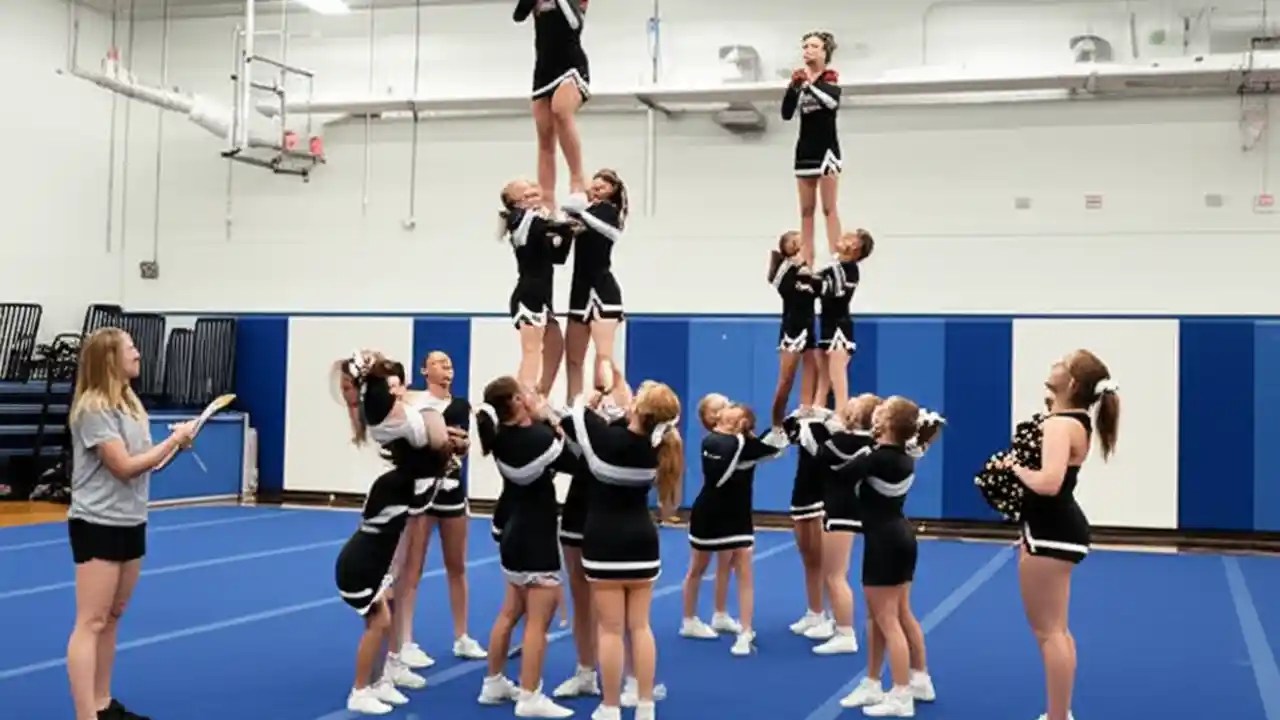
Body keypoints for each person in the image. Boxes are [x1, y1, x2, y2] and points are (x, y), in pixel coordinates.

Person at [65, 327, 197, 720]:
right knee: (90, 620)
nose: (139, 354)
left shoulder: (129, 405)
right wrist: (171, 443)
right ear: (110, 359)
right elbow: (122, 467)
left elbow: (147, 466)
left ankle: (104, 704)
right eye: (131, 348)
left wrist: (176, 446)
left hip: (131, 519)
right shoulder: (93, 409)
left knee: (114, 614)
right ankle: (85, 714)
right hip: (98, 522)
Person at [331, 352, 458, 715]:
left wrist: (443, 443)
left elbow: (430, 450)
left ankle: (377, 680)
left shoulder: (398, 479)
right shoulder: (399, 481)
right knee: (380, 622)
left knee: (383, 620)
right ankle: (360, 689)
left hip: (366, 559)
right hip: (359, 565)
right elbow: (429, 448)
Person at [1002, 349, 1119, 720]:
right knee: (1057, 631)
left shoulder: (1058, 425)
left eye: (1062, 363)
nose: (1052, 363)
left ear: (1071, 382)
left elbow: (1049, 483)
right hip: (1053, 530)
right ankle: (1060, 713)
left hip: (1052, 532)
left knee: (1049, 633)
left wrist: (1014, 468)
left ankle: (1057, 715)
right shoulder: (1075, 419)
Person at [557, 381, 682, 720]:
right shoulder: (658, 449)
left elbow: (574, 414)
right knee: (640, 627)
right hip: (643, 541)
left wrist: (593, 394)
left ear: (639, 410)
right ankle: (645, 704)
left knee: (610, 629)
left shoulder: (610, 441)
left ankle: (610, 706)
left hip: (605, 542)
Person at [474, 376, 578, 717]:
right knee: (537, 622)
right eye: (527, 393)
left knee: (509, 612)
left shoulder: (500, 438)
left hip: (511, 532)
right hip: (537, 533)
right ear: (517, 401)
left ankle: (494, 682)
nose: (534, 396)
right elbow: (579, 461)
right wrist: (551, 416)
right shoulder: (539, 438)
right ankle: (530, 695)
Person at [837, 397, 943, 717]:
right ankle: (910, 679)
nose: (875, 413)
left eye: (880, 412)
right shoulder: (904, 455)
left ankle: (900, 693)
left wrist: (839, 429)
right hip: (900, 537)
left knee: (886, 619)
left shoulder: (877, 458)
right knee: (895, 613)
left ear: (886, 424)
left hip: (884, 541)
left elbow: (839, 472)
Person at [387, 350, 487, 673]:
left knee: (457, 566)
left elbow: (465, 444)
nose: (446, 368)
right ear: (424, 370)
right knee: (411, 569)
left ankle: (462, 635)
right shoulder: (415, 405)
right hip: (422, 494)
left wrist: (457, 442)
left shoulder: (461, 407)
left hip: (453, 492)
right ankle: (405, 640)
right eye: (439, 363)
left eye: (449, 363)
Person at [680, 399, 785, 656]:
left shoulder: (742, 444)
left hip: (738, 516)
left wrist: (781, 428)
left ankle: (743, 628)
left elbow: (774, 449)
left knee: (742, 569)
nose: (724, 411)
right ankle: (689, 619)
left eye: (728, 408)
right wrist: (748, 439)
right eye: (719, 410)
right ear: (712, 418)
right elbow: (722, 470)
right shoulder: (714, 442)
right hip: (708, 515)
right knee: (697, 568)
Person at [785, 394, 880, 655]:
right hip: (841, 510)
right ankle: (836, 624)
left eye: (856, 402)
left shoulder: (846, 442)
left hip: (842, 512)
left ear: (856, 417)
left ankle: (845, 632)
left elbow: (818, 450)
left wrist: (807, 421)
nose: (849, 401)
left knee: (836, 576)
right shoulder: (863, 441)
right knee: (832, 573)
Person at [499, 178, 575, 395]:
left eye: (536, 193)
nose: (535, 199)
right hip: (527, 295)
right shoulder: (518, 220)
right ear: (515, 203)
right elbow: (539, 224)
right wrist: (564, 223)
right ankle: (522, 398)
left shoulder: (539, 222)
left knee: (555, 345)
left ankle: (541, 393)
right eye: (527, 196)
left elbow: (558, 257)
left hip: (543, 297)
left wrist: (566, 234)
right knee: (531, 352)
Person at [514, 0, 591, 213]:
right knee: (545, 135)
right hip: (543, 68)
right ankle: (547, 199)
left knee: (561, 109)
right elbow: (519, 15)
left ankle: (578, 182)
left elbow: (575, 22)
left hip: (571, 64)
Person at [562, 168, 629, 400]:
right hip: (579, 289)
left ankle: (614, 405)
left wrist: (580, 213)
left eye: (602, 187)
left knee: (604, 356)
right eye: (594, 186)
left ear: (613, 190)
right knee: (573, 358)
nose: (596, 190)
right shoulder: (585, 213)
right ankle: (573, 405)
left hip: (603, 289)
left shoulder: (610, 213)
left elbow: (608, 231)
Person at [782, 30, 843, 268]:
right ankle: (807, 260)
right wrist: (793, 87)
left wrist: (808, 85)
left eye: (814, 46)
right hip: (805, 149)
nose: (808, 50)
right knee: (806, 210)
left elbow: (831, 103)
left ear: (825, 52)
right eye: (805, 46)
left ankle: (838, 257)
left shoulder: (830, 78)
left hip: (827, 150)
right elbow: (787, 114)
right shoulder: (799, 81)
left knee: (829, 208)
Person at [766, 230, 823, 438]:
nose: (801, 244)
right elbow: (776, 281)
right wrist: (796, 264)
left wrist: (809, 271)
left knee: (813, 368)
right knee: (786, 380)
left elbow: (819, 289)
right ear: (789, 247)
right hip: (792, 329)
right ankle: (776, 424)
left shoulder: (807, 272)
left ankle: (806, 409)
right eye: (796, 241)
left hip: (808, 326)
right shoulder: (787, 269)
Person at [815, 229, 874, 415]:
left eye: (849, 238)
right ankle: (816, 408)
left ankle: (842, 415)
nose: (842, 238)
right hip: (826, 324)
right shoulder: (835, 266)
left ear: (856, 247)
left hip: (840, 327)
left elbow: (834, 292)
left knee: (837, 378)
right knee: (823, 378)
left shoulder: (849, 270)